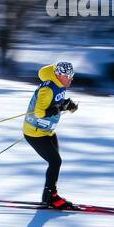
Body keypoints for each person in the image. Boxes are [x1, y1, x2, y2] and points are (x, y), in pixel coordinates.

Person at [23, 60, 79, 207]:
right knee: (55, 162)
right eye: (69, 75)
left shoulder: (59, 85)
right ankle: (51, 197)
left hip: (47, 131)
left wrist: (68, 104)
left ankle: (49, 196)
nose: (71, 78)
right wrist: (60, 108)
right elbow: (40, 112)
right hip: (35, 133)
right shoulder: (48, 89)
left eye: (72, 75)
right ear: (59, 75)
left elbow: (55, 102)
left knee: (55, 162)